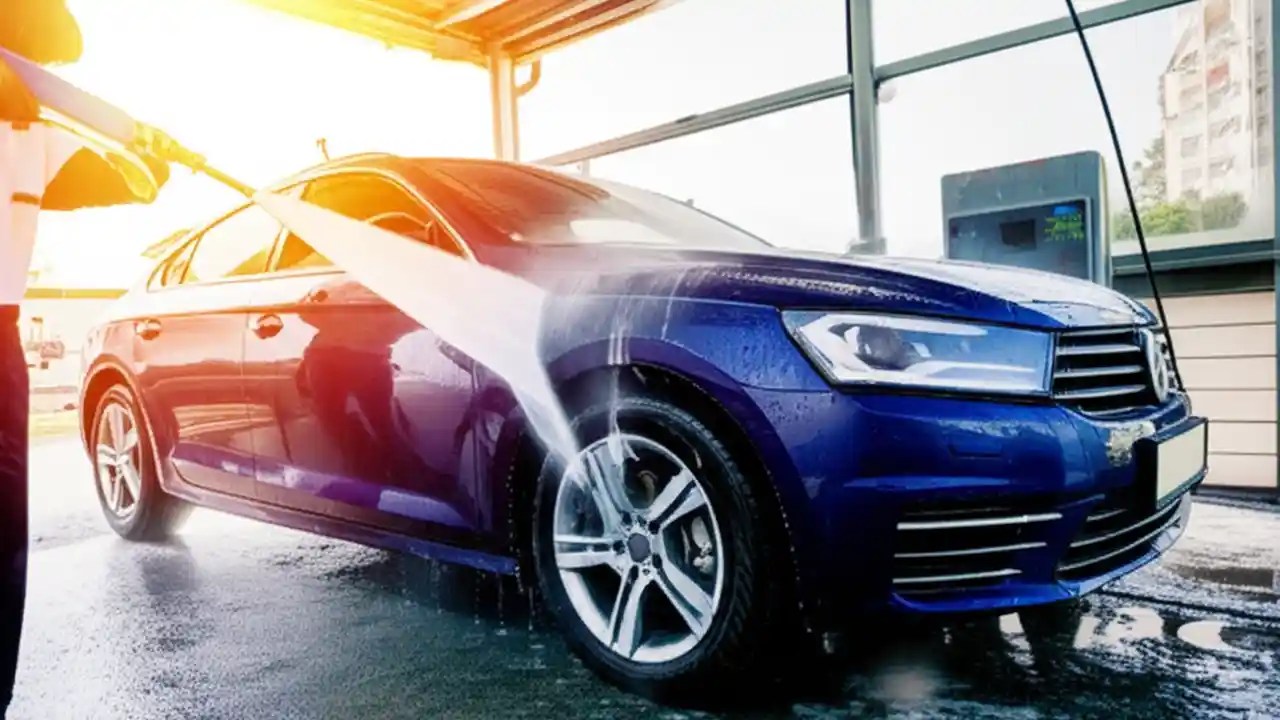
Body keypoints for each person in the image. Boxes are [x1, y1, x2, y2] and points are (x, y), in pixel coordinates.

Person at [1, 1, 169, 712]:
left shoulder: (27, 129)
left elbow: (120, 178)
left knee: (4, 529)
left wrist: (148, 155)